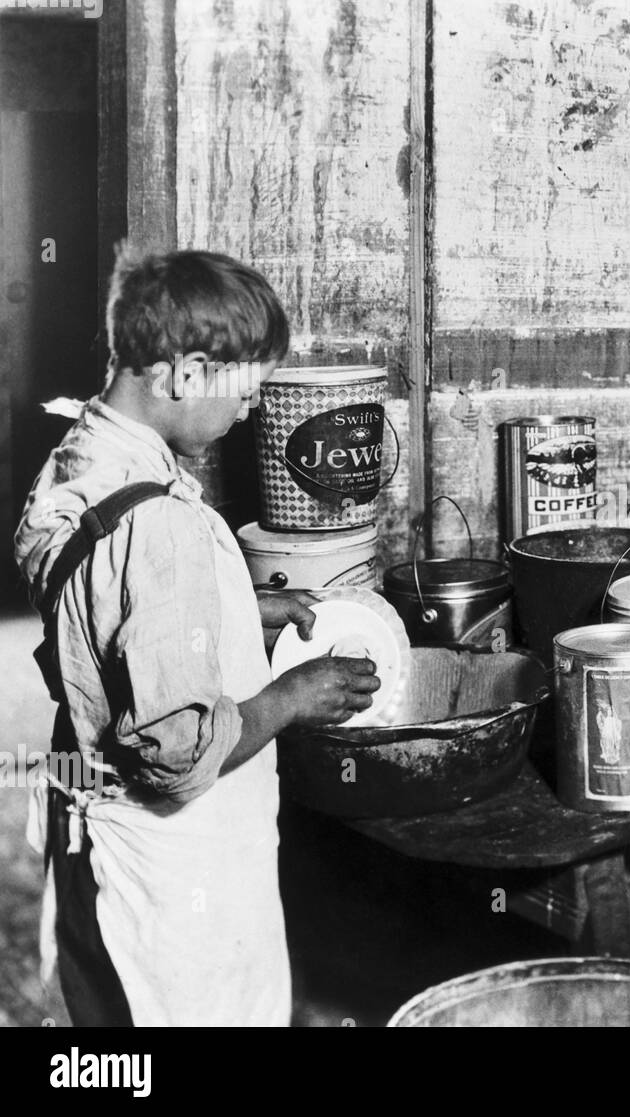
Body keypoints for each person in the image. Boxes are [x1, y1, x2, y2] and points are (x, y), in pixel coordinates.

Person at [13, 246, 381, 1026]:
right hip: (170, 866)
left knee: (107, 1023)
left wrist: (237, 606)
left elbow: (108, 608)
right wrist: (289, 697)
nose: (248, 409)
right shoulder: (163, 525)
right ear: (184, 374)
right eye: (244, 388)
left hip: (90, 830)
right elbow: (176, 751)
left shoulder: (80, 458)